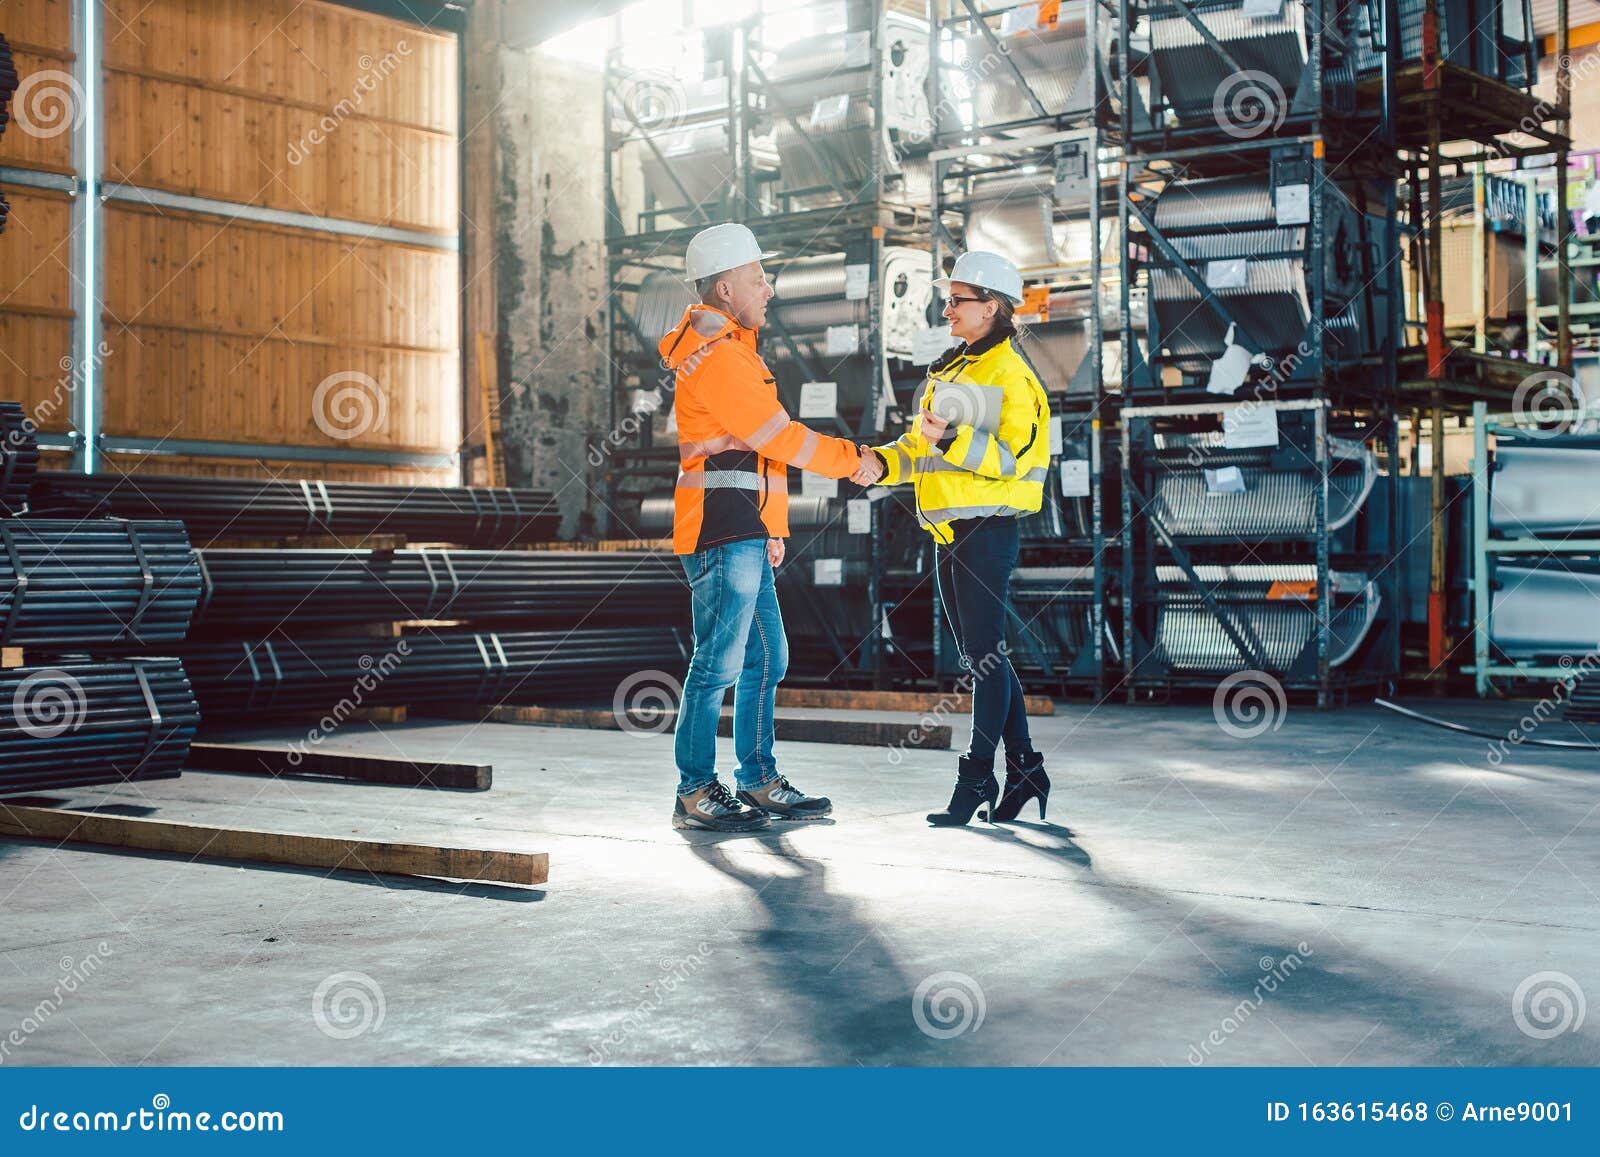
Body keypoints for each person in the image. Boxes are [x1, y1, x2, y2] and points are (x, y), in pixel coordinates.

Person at [660, 223, 865, 832]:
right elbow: (780, 438)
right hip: (721, 535)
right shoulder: (720, 356)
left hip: (744, 533)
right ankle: (695, 789)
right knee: (717, 664)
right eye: (758, 278)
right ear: (726, 288)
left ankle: (757, 779)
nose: (768, 288)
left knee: (767, 659)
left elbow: (756, 459)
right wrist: (857, 461)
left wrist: (773, 526)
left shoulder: (735, 349)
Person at [850, 250, 1053, 827]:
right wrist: (879, 464)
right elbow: (922, 450)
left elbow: (1011, 461)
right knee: (982, 657)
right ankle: (1027, 768)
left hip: (989, 530)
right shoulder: (951, 370)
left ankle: (976, 777)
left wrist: (949, 441)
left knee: (984, 659)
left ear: (991, 306)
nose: (946, 309)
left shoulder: (1012, 375)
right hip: (948, 530)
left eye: (957, 299)